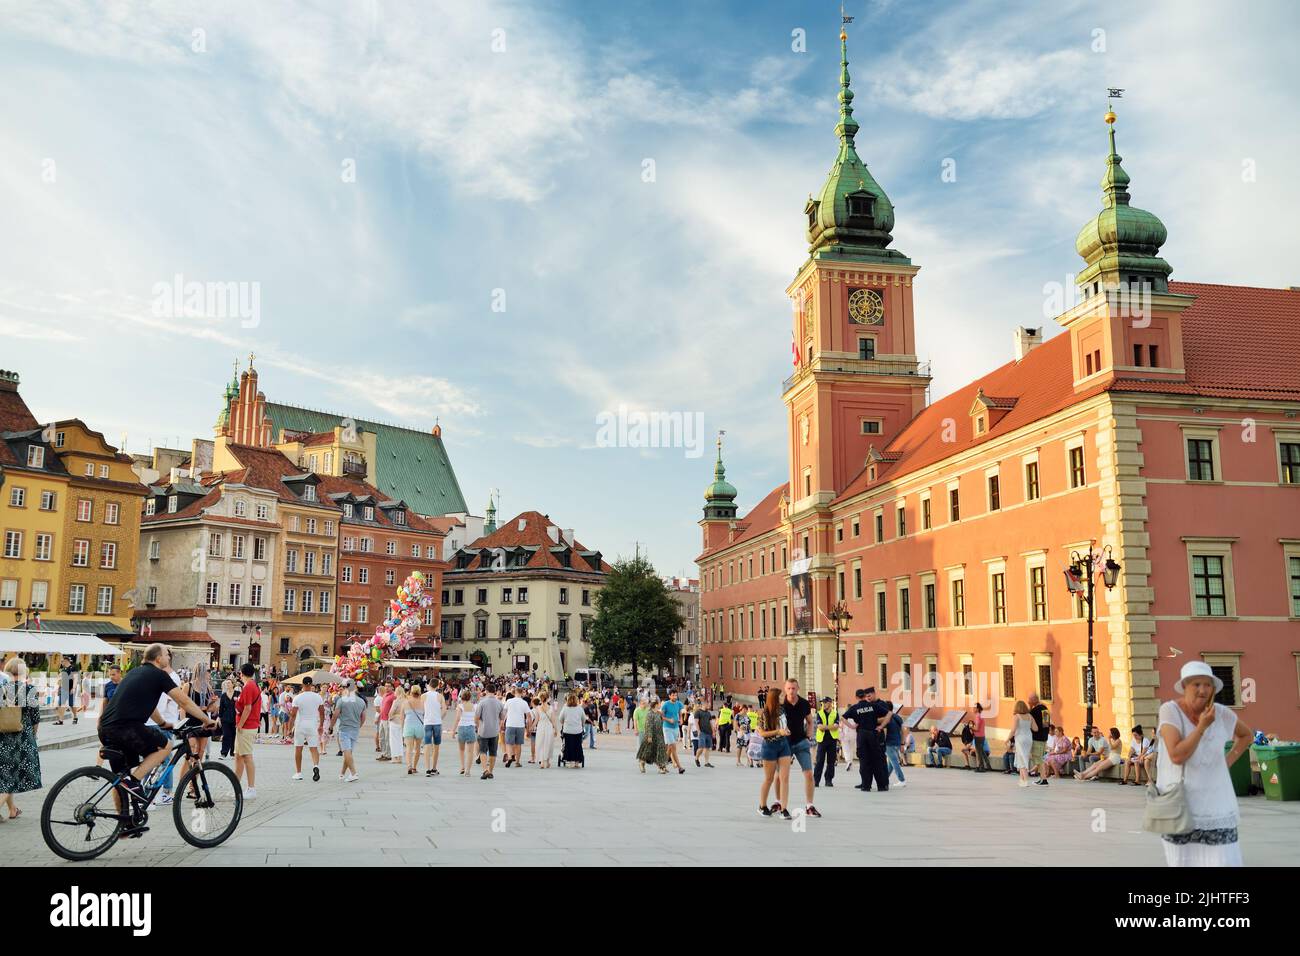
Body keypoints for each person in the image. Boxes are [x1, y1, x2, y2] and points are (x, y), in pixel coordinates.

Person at [97, 644, 218, 825]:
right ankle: (135, 781)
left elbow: (149, 703)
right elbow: (183, 700)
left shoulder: (134, 672)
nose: (169, 658)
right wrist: (206, 720)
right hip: (126, 727)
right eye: (167, 655)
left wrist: (162, 723)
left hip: (106, 728)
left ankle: (124, 823)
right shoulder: (160, 675)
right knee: (165, 746)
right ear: (158, 659)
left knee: (120, 777)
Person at [1156, 661, 1253, 866]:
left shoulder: (1221, 712)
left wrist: (1227, 762)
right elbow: (1176, 755)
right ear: (1185, 687)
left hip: (1217, 805)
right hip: (1180, 805)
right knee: (1184, 862)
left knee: (1223, 861)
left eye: (1207, 684)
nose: (1202, 690)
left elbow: (1246, 736)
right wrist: (1201, 727)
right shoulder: (1169, 711)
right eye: (1196, 684)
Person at [0, 657, 40, 820]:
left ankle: (12, 810)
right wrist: (34, 735)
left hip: (2, 736)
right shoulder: (29, 689)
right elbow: (35, 717)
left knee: (5, 774)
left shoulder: (2, 688)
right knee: (13, 777)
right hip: (21, 738)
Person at [780, 679, 821, 816]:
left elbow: (810, 721)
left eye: (794, 688)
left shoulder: (804, 703)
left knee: (809, 774)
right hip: (785, 743)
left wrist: (809, 736)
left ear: (798, 688)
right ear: (785, 689)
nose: (791, 691)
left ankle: (809, 806)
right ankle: (778, 802)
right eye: (789, 688)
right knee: (780, 776)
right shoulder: (781, 704)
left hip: (801, 742)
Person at [843, 688, 889, 793]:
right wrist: (881, 726)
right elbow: (889, 713)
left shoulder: (855, 708)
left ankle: (866, 786)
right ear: (865, 696)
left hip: (862, 735)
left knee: (864, 761)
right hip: (873, 734)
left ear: (856, 697)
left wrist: (852, 726)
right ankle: (881, 786)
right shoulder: (873, 706)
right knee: (877, 760)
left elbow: (843, 717)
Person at [755, 688, 792, 818]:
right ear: (775, 697)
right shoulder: (765, 713)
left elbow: (783, 726)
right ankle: (762, 805)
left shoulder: (782, 709)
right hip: (769, 747)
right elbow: (762, 734)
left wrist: (785, 731)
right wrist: (778, 732)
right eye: (782, 695)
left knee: (785, 778)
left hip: (784, 745)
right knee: (769, 779)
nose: (784, 696)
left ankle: (784, 808)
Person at [289, 676, 325, 781]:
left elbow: (293, 715)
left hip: (300, 725)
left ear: (302, 685)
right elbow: (322, 713)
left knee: (298, 748)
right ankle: (316, 766)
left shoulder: (298, 698)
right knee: (313, 748)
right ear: (311, 684)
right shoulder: (318, 697)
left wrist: (290, 728)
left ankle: (298, 773)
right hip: (313, 725)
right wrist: (321, 725)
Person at [233, 663, 260, 798]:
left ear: (241, 674)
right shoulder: (253, 685)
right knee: (239, 756)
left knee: (247, 756)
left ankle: (251, 788)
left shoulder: (248, 686)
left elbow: (248, 708)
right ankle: (236, 786)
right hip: (248, 725)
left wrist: (240, 724)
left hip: (247, 726)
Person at [334, 679, 366, 783]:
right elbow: (363, 717)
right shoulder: (361, 701)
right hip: (355, 729)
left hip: (344, 728)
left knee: (347, 752)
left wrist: (330, 726)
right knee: (349, 752)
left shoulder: (342, 700)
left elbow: (335, 715)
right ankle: (342, 773)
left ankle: (353, 773)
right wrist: (358, 726)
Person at [474, 686, 504, 779]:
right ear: (494, 691)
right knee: (493, 752)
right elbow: (502, 718)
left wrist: (478, 727)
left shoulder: (482, 702)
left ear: (486, 691)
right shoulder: (499, 703)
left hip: (483, 730)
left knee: (483, 751)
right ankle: (491, 771)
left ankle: (485, 770)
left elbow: (476, 717)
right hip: (495, 730)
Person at [636, 696, 669, 773]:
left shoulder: (658, 713)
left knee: (660, 750)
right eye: (659, 703)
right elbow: (648, 725)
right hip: (651, 735)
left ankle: (661, 767)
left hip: (659, 735)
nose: (660, 704)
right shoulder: (650, 714)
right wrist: (649, 736)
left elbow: (661, 721)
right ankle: (642, 762)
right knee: (647, 751)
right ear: (656, 704)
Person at [1010, 700, 1038, 788]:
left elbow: (1013, 730)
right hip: (1029, 738)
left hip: (1020, 738)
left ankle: (1025, 781)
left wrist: (1007, 739)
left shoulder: (1016, 716)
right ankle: (1021, 780)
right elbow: (1035, 728)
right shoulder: (1030, 716)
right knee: (1023, 757)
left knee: (1021, 759)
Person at [813, 696, 839, 788]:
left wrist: (825, 727)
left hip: (832, 740)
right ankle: (816, 781)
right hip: (822, 740)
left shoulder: (835, 714)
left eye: (825, 702)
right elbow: (820, 727)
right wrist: (830, 726)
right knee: (819, 761)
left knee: (831, 761)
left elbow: (836, 726)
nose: (823, 704)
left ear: (830, 703)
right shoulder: (819, 713)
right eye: (822, 702)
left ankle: (829, 780)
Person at [502, 687, 531, 769]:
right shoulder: (524, 703)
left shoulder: (509, 701)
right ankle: (517, 762)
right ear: (522, 693)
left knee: (508, 743)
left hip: (510, 724)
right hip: (520, 725)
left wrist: (501, 722)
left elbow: (504, 713)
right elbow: (529, 716)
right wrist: (528, 728)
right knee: (518, 744)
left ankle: (510, 758)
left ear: (514, 693)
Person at [422, 679, 446, 776]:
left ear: (429, 685)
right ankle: (434, 768)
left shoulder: (423, 696)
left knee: (427, 745)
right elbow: (444, 709)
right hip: (437, 723)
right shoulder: (440, 696)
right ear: (437, 686)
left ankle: (427, 768)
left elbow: (420, 709)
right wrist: (440, 718)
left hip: (427, 722)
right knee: (436, 746)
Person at [452, 690, 477, 775]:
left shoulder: (460, 706)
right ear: (470, 697)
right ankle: (468, 771)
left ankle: (462, 767)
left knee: (461, 750)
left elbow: (458, 718)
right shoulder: (474, 706)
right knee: (470, 751)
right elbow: (477, 719)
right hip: (471, 728)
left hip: (462, 728)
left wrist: (453, 730)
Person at [557, 693, 586, 768]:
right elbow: (584, 719)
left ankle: (570, 761)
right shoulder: (579, 708)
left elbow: (560, 719)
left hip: (567, 730)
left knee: (568, 745)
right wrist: (582, 725)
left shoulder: (565, 708)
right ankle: (577, 762)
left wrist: (564, 723)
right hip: (577, 730)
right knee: (578, 746)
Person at [660, 691, 685, 773]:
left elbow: (680, 713)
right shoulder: (666, 704)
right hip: (667, 728)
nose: (675, 697)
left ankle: (663, 764)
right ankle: (680, 767)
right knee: (673, 747)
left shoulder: (679, 703)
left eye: (676, 695)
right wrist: (669, 720)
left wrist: (681, 719)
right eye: (673, 695)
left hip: (676, 728)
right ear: (669, 696)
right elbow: (662, 716)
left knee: (670, 748)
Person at [883, 703, 906, 788]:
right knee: (891, 763)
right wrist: (902, 743)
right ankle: (885, 779)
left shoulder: (886, 718)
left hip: (889, 742)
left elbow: (885, 731)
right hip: (897, 742)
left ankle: (902, 780)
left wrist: (882, 742)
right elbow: (903, 730)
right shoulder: (898, 717)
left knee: (894, 762)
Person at [532, 693, 557, 768]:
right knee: (548, 743)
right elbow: (553, 720)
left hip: (541, 727)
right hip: (549, 727)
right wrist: (556, 730)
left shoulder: (538, 708)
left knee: (541, 744)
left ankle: (542, 762)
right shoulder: (551, 708)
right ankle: (547, 761)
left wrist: (531, 727)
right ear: (548, 698)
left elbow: (536, 720)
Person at [1027, 692, 1049, 778]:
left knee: (1038, 759)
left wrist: (1029, 707)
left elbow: (1028, 720)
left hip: (1037, 738)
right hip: (1044, 737)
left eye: (1029, 700)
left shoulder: (1034, 710)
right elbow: (1046, 724)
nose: (1028, 701)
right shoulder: (1045, 708)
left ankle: (1043, 779)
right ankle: (1042, 778)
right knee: (1039, 759)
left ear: (1034, 700)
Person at [218, 678, 238, 759]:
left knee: (234, 735)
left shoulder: (238, 693)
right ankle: (223, 753)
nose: (227, 684)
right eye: (226, 683)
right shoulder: (223, 695)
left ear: (233, 684)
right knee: (226, 735)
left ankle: (233, 753)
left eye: (229, 683)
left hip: (235, 718)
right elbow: (221, 708)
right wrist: (219, 718)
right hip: (225, 719)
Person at [971, 702, 992, 772]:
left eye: (974, 708)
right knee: (981, 751)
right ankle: (988, 765)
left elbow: (976, 728)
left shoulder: (977, 716)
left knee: (978, 753)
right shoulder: (981, 715)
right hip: (982, 736)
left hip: (978, 736)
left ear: (977, 709)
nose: (972, 709)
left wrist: (970, 728)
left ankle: (981, 767)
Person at [694, 702, 716, 768]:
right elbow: (696, 722)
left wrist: (713, 732)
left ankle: (706, 762)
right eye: (707, 705)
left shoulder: (708, 713)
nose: (708, 706)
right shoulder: (698, 712)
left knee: (707, 748)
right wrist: (698, 731)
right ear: (704, 705)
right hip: (702, 732)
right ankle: (696, 758)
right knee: (701, 747)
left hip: (709, 732)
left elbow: (711, 723)